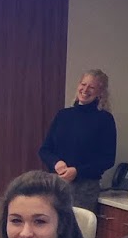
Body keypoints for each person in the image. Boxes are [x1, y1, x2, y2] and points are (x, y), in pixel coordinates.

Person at [38, 69, 117, 213]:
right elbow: (45, 150)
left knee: (77, 232)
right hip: (55, 185)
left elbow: (107, 159)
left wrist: (77, 171)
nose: (85, 90)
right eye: (83, 84)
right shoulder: (63, 116)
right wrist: (56, 163)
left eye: (91, 87)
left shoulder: (105, 120)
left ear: (100, 93)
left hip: (84, 189)